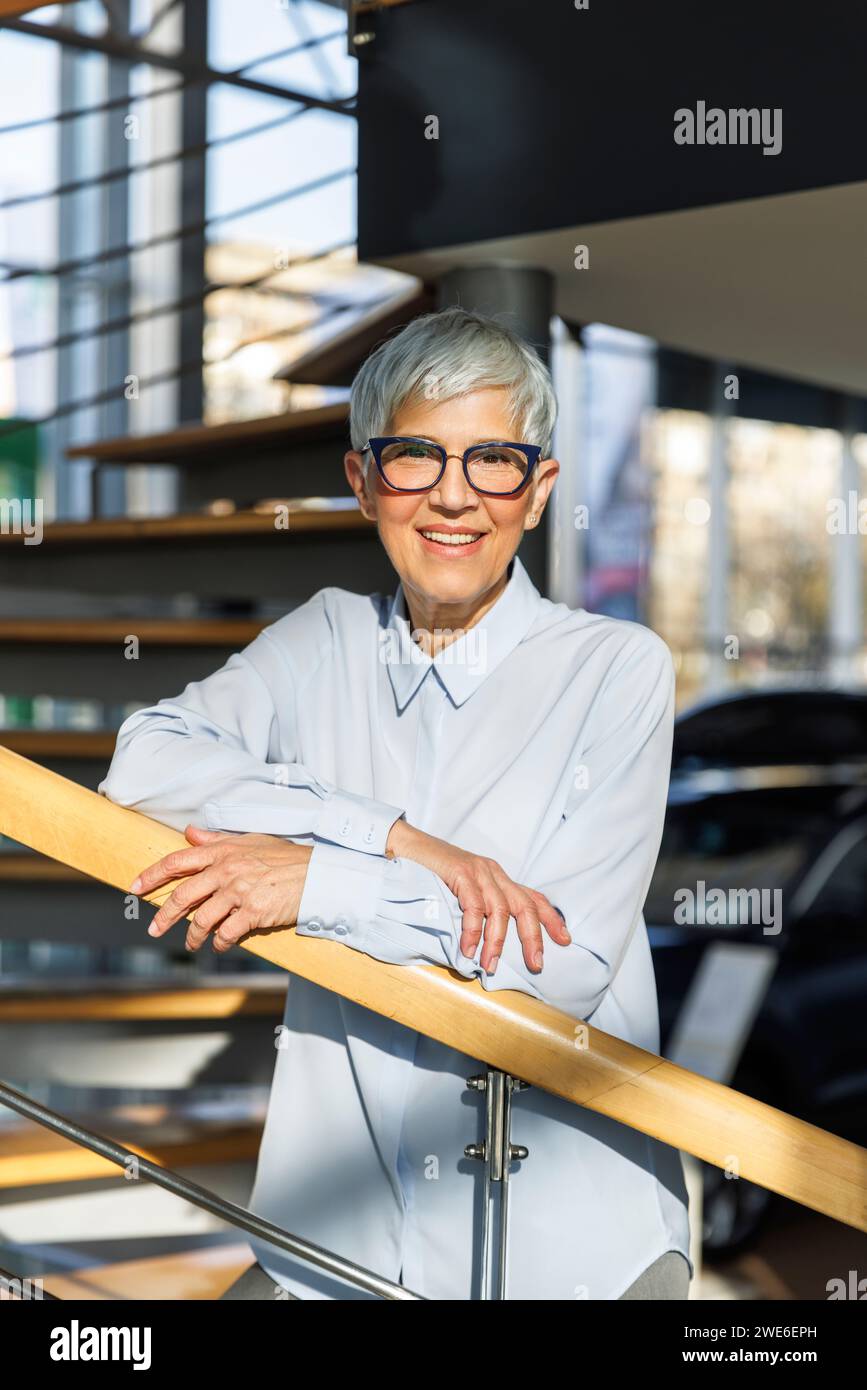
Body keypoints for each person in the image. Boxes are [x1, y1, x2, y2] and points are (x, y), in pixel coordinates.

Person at [99, 306, 692, 1301]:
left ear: (539, 490)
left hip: (575, 1255)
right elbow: (143, 764)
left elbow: (564, 968)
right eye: (416, 457)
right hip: (336, 1253)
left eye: (494, 461)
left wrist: (319, 880)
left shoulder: (617, 668)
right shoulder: (323, 637)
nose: (453, 499)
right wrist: (389, 838)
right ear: (363, 480)